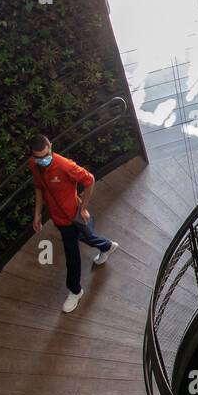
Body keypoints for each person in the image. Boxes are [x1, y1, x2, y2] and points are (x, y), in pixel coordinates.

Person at [29, 133, 118, 313]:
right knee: (85, 239)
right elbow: (39, 188)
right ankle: (107, 246)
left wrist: (83, 208)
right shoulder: (34, 165)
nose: (43, 160)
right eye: (39, 158)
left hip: (73, 216)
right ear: (32, 155)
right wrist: (37, 214)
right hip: (59, 219)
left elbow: (90, 179)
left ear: (51, 147)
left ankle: (75, 291)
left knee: (73, 256)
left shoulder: (65, 165)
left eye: (46, 156)